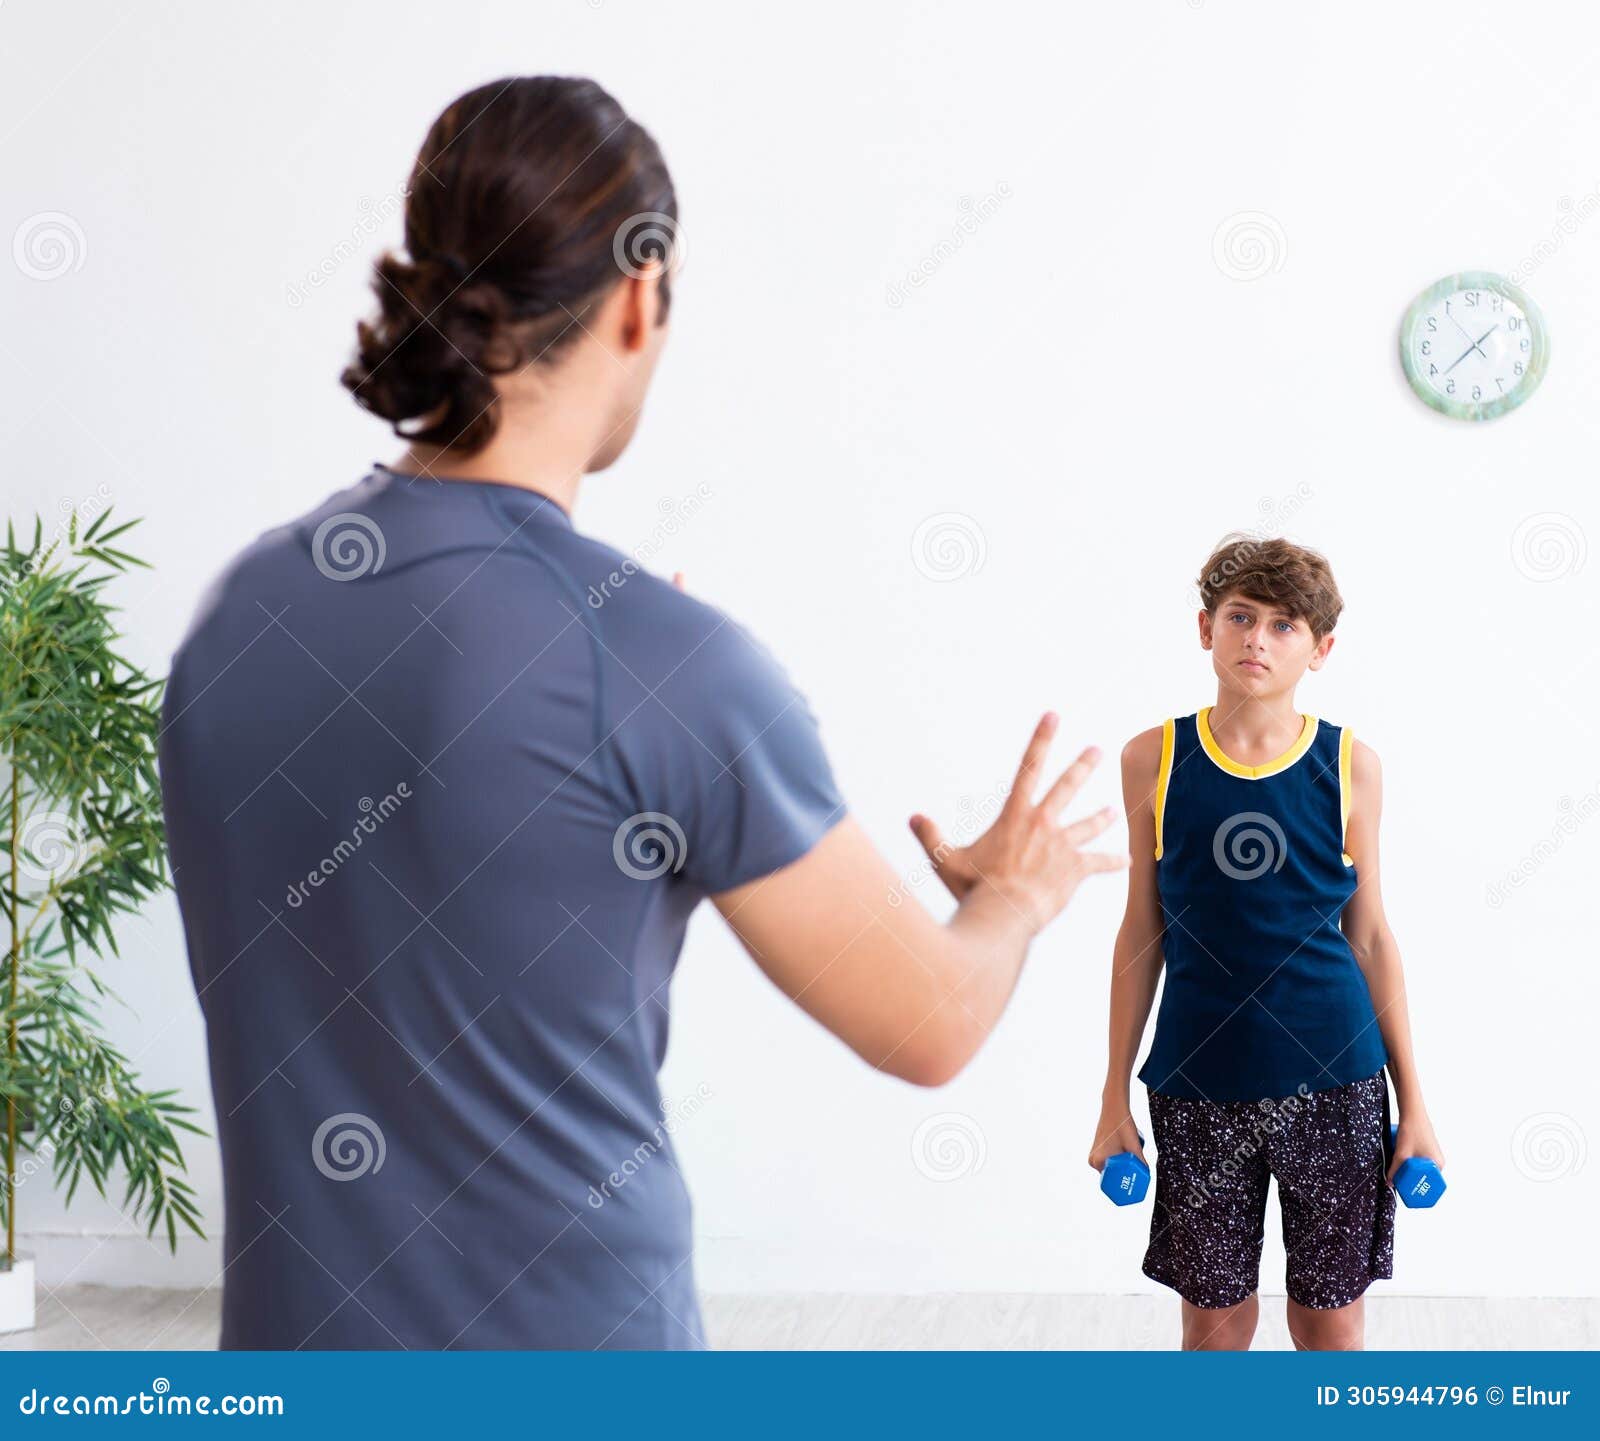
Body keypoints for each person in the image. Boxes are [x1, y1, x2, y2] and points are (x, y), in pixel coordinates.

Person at [158, 75, 1128, 1350]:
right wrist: (1014, 891)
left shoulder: (243, 612)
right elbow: (932, 1021)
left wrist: (620, 687)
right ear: (636, 293)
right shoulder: (660, 666)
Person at [1086, 536, 1444, 1351]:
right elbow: (1142, 929)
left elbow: (1373, 935)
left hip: (1336, 1082)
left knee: (1329, 1316)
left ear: (1320, 650)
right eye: (1241, 617)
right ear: (1205, 626)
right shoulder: (1154, 757)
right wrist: (1113, 1092)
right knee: (1214, 1321)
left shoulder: (1352, 763)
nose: (1257, 638)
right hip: (1198, 1083)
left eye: (1284, 626)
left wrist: (1414, 1100)